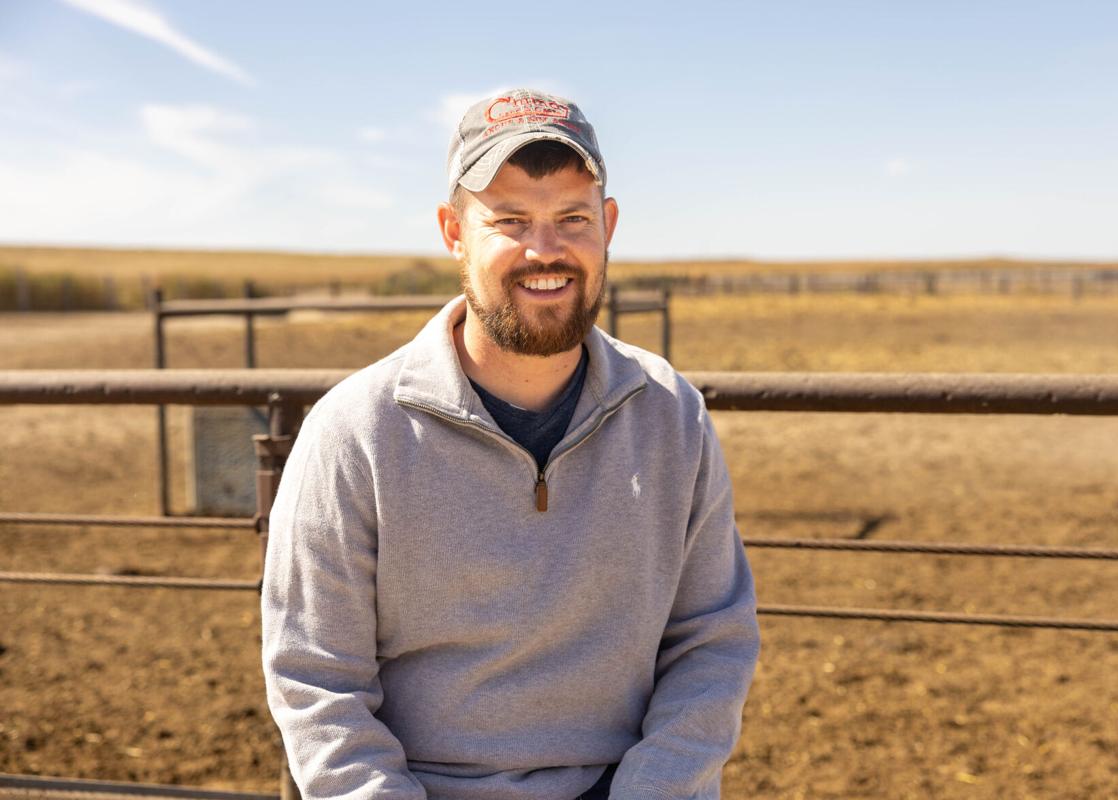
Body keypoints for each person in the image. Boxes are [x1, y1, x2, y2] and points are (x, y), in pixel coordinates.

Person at [261, 88, 760, 800]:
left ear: (609, 226)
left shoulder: (669, 414)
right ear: (453, 232)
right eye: (511, 220)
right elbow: (317, 682)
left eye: (572, 218)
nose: (545, 250)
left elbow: (712, 644)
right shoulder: (356, 432)